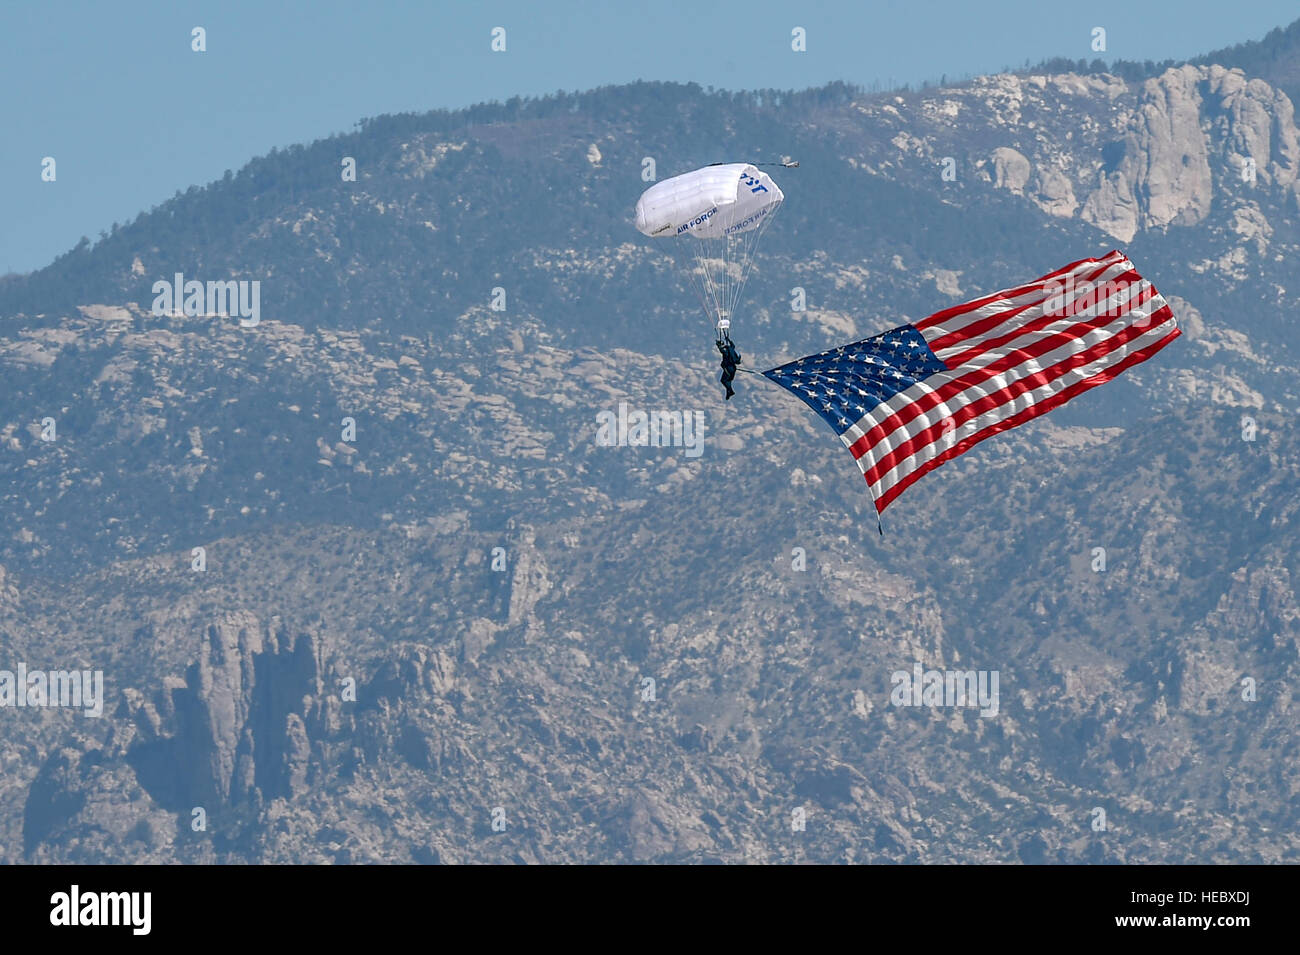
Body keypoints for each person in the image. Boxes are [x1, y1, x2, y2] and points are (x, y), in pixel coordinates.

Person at [716, 330, 742, 400]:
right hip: (733, 368)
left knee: (723, 380)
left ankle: (730, 391)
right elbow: (733, 345)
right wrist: (728, 339)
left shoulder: (725, 351)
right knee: (729, 380)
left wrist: (719, 346)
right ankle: (729, 392)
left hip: (729, 368)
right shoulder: (730, 348)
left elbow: (722, 350)